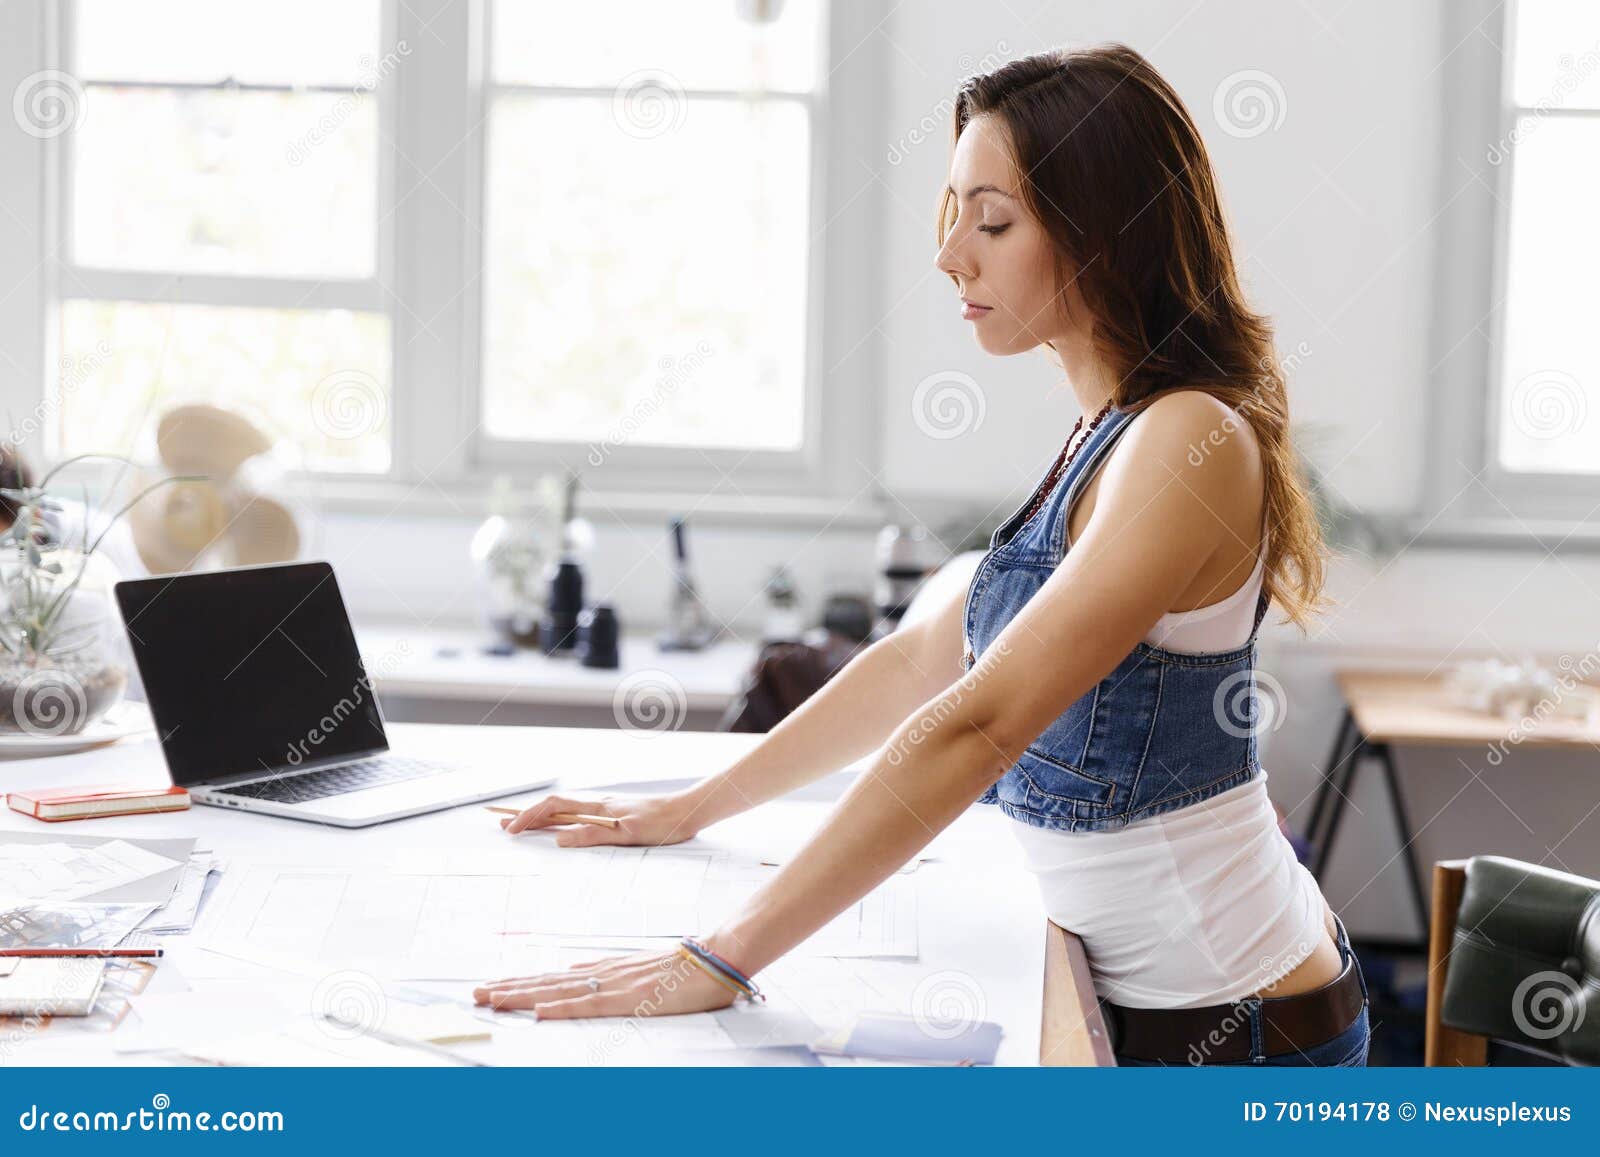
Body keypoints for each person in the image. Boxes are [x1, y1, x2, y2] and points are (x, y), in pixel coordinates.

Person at [473, 44, 1370, 1068]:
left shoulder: (1188, 440)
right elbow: (914, 663)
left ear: (1107, 232)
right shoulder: (1100, 434)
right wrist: (686, 808)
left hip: (1235, 1027)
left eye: (992, 220)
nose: (952, 253)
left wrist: (721, 955)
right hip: (1142, 1003)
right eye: (953, 214)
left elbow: (978, 722)